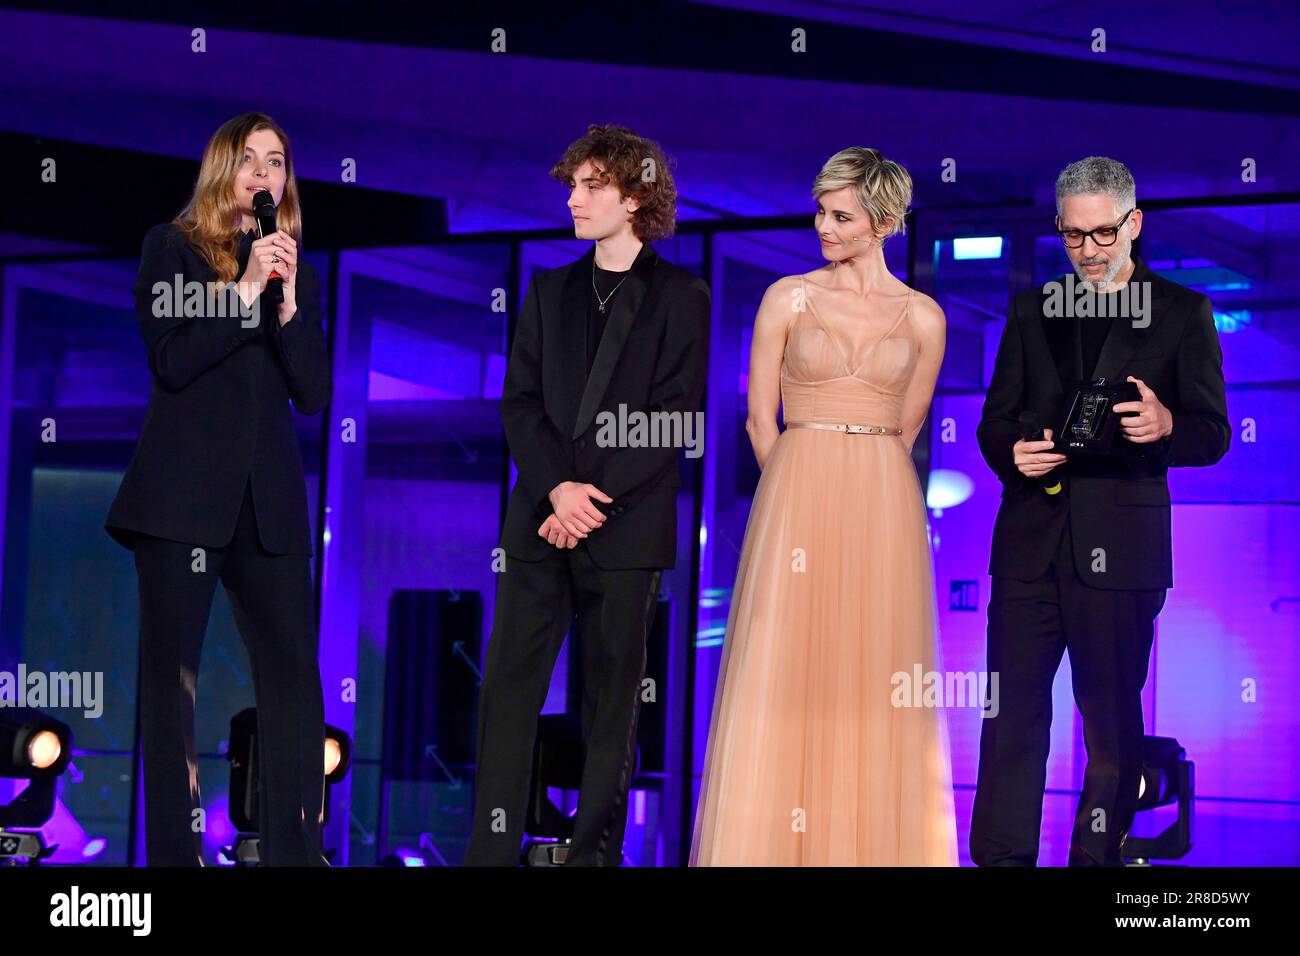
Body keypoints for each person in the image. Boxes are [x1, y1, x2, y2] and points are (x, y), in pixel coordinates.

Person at [691, 148, 957, 865]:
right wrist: (798, 497)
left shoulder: (926, 318)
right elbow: (757, 421)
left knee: (875, 672)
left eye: (841, 216)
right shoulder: (787, 296)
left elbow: (907, 428)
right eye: (821, 212)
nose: (823, 227)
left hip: (883, 497)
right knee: (784, 666)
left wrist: (858, 485)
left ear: (884, 221)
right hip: (796, 487)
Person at [970, 156, 1230, 866]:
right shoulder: (1032, 309)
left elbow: (1214, 434)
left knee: (1110, 725)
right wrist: (1012, 454)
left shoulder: (1183, 311)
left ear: (1134, 223)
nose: (1089, 250)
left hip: (1122, 554)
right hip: (1028, 546)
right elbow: (996, 422)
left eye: (1103, 233)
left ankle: (1096, 863)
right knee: (1010, 719)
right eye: (1074, 236)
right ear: (1059, 229)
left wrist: (1168, 425)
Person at [462, 124, 710, 866]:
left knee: (612, 708)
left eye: (590, 184)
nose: (574, 198)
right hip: (540, 520)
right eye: (572, 184)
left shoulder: (680, 298)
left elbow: (674, 418)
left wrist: (591, 494)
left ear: (635, 195)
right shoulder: (546, 290)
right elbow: (519, 406)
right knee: (508, 693)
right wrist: (559, 489)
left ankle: (594, 855)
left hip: (624, 527)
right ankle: (490, 853)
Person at [105, 112, 331, 866]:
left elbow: (314, 392)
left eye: (277, 162)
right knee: (174, 687)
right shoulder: (170, 249)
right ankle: (177, 854)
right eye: (250, 160)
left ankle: (297, 851)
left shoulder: (291, 266)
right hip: (181, 503)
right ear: (222, 172)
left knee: (296, 685)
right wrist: (243, 293)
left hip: (268, 507)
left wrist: (290, 303)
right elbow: (173, 361)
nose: (265, 174)